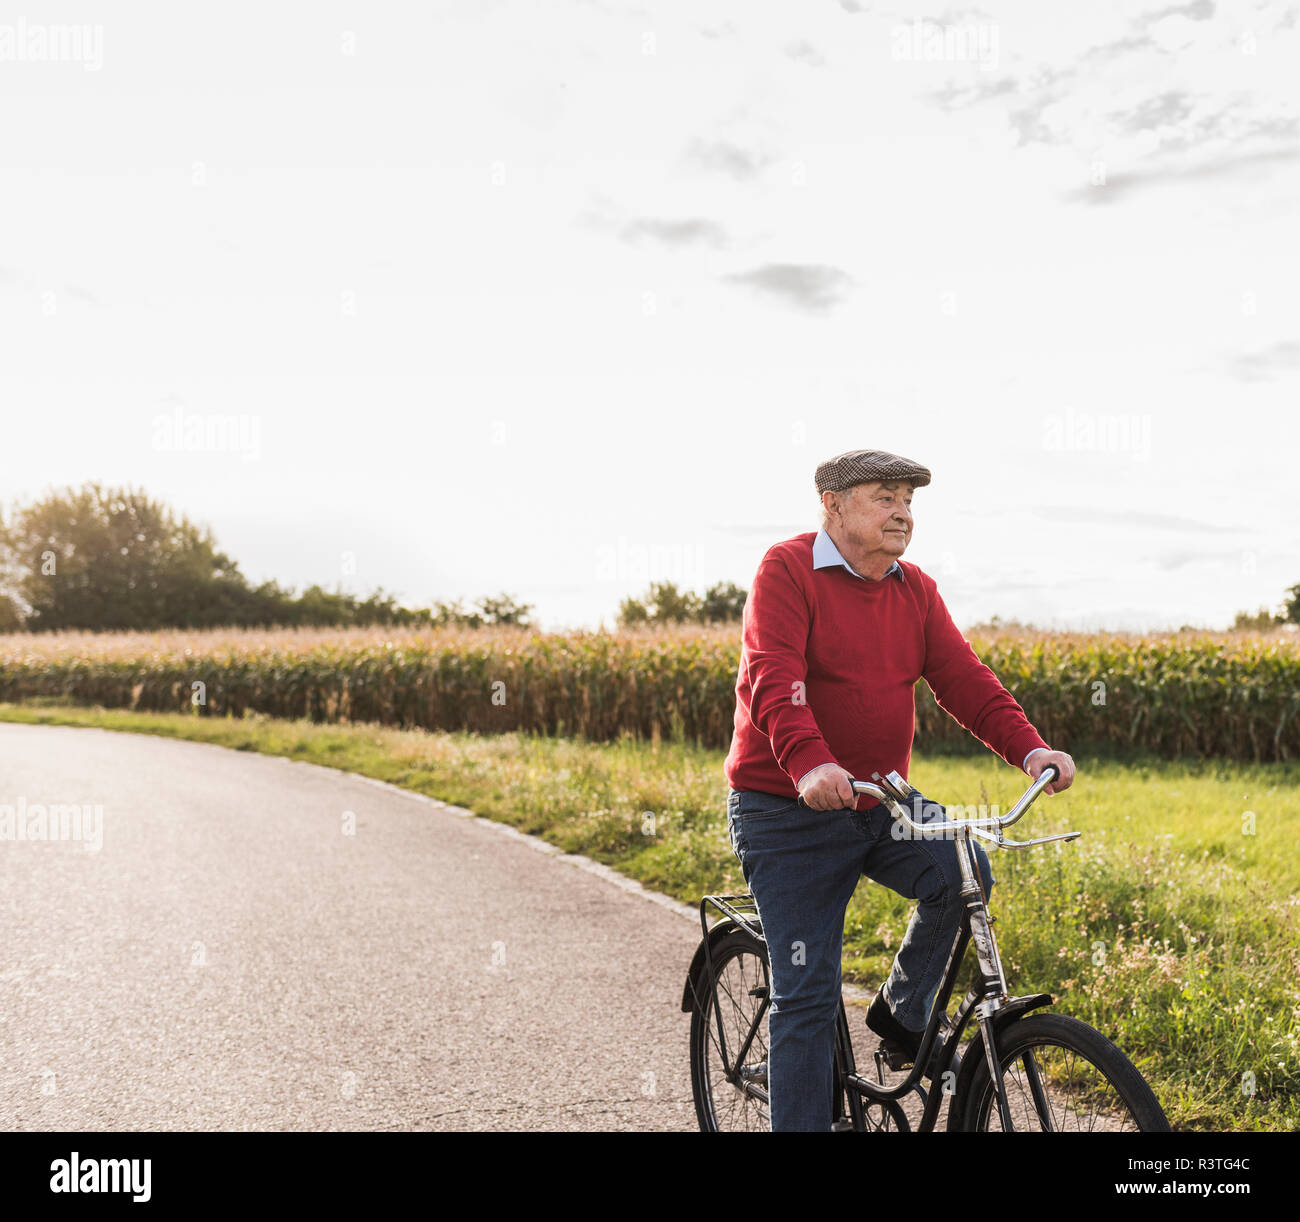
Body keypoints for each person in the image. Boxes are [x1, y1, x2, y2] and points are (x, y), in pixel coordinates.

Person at [722, 447, 1075, 1132]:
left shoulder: (914, 589)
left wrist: (1031, 749)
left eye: (909, 500)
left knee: (964, 873)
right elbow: (774, 677)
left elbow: (964, 681)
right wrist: (809, 764)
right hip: (786, 807)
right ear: (833, 505)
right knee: (807, 995)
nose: (902, 512)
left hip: (881, 798)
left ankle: (902, 1014)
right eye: (885, 496)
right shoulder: (787, 568)